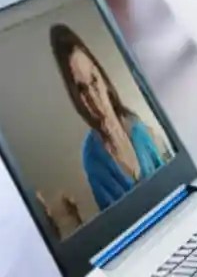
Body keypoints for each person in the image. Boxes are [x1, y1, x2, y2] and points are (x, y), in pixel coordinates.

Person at [49, 25, 169, 212]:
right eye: (81, 89)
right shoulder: (92, 159)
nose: (93, 96)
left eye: (94, 80)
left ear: (102, 78)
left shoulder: (136, 126)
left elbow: (170, 179)